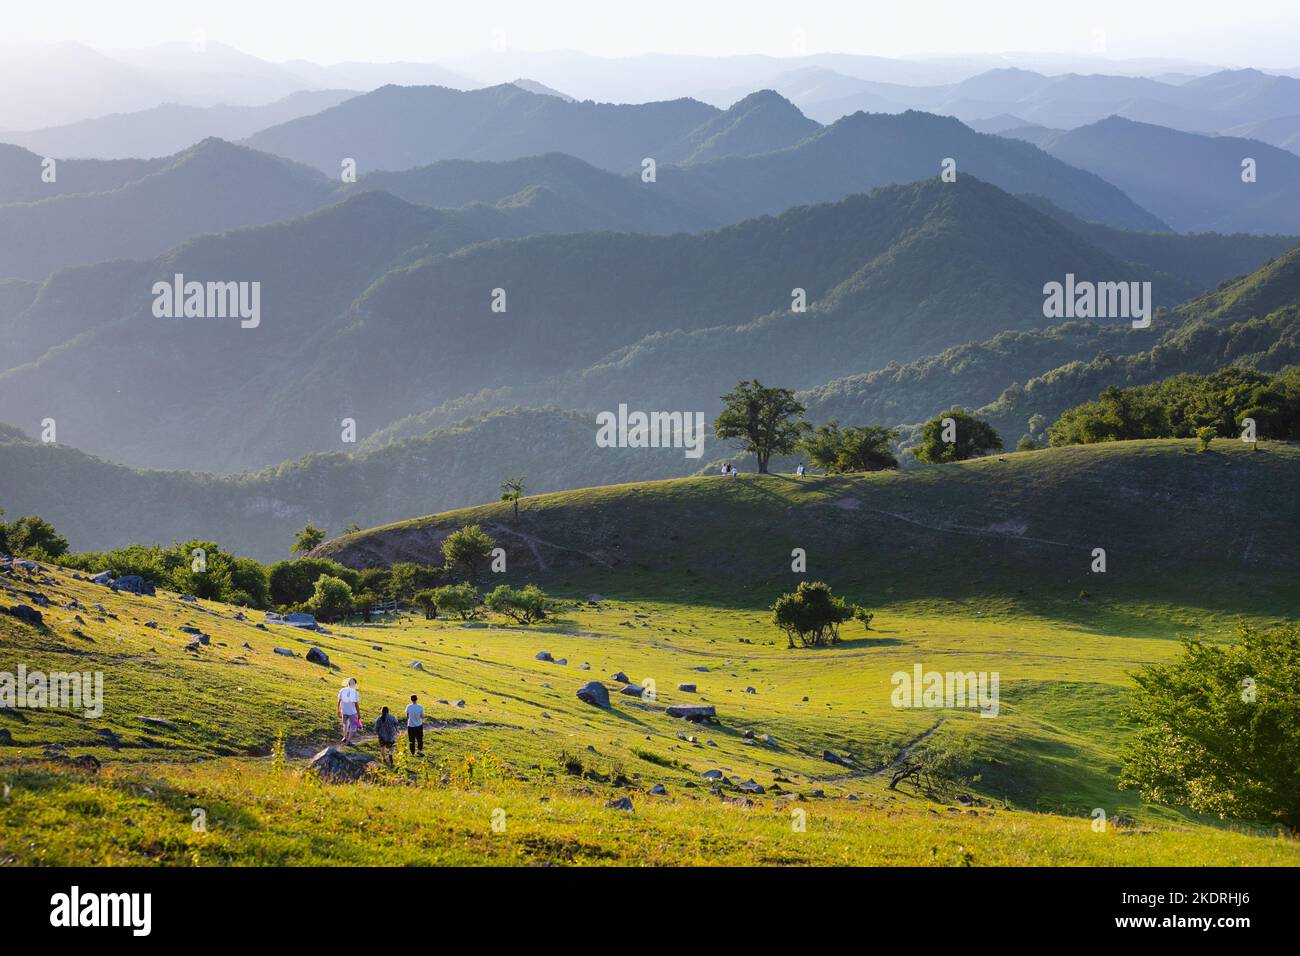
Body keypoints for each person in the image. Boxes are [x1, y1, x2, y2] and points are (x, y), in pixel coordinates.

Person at [337, 677, 360, 744]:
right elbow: (356, 704)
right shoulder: (355, 692)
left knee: (345, 724)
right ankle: (349, 740)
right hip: (352, 712)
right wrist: (359, 714)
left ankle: (344, 737)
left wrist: (338, 710)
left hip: (344, 711)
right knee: (353, 726)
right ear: (354, 684)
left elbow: (339, 701)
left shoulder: (342, 690)